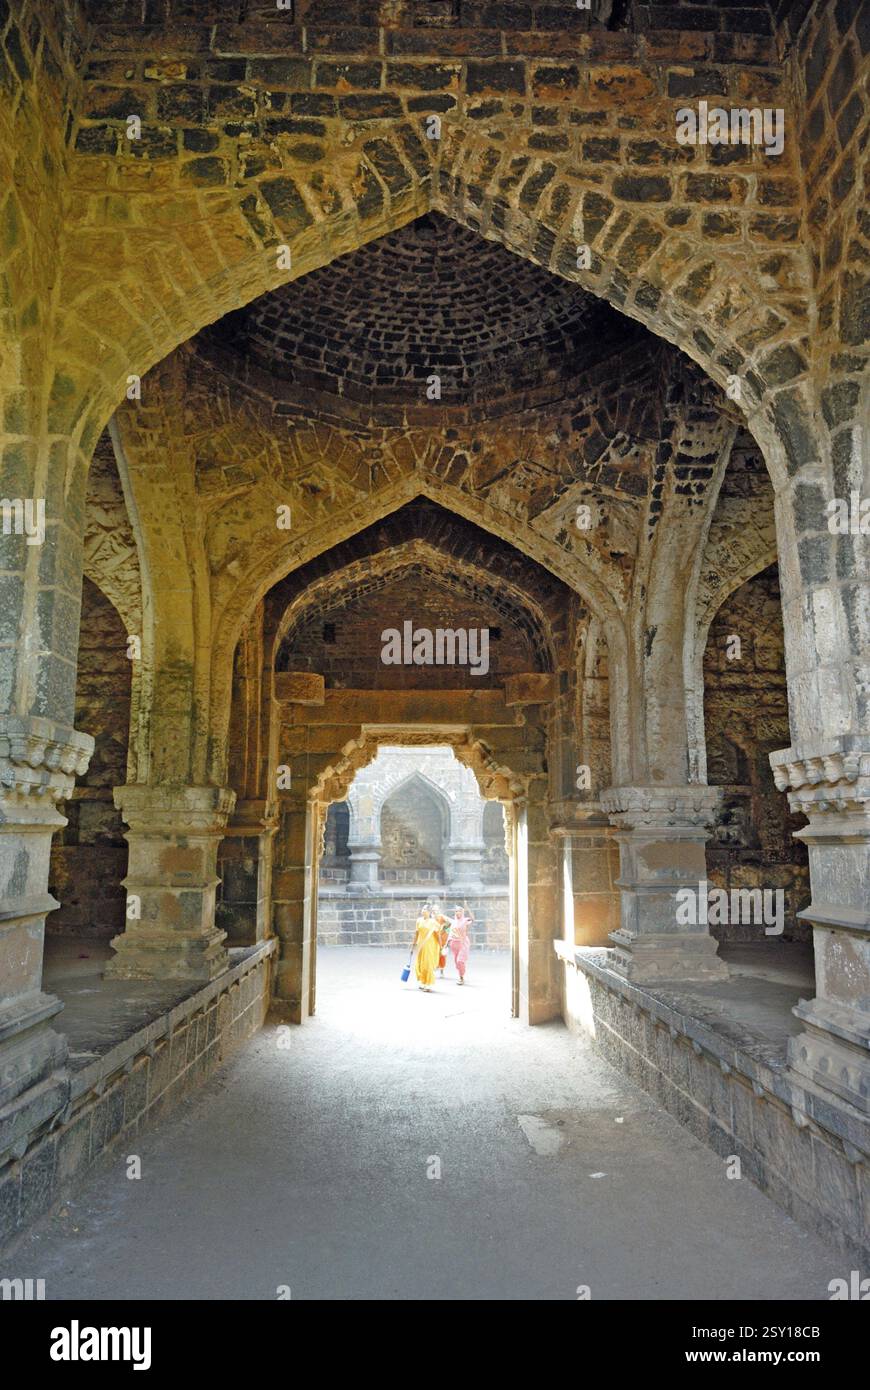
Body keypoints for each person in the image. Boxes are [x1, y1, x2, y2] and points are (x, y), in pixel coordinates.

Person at [411, 904, 441, 992]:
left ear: (429, 912)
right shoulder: (419, 920)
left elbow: (438, 934)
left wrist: (441, 946)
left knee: (427, 964)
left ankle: (429, 984)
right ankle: (422, 982)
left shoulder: (433, 922)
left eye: (425, 909)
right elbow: (416, 933)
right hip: (420, 945)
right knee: (420, 964)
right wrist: (413, 944)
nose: (423, 910)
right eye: (423, 909)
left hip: (430, 945)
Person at [448, 903, 473, 985]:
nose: (457, 912)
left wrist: (467, 907)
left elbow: (473, 919)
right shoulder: (453, 922)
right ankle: (460, 975)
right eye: (456, 911)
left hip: (463, 944)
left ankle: (461, 977)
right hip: (454, 945)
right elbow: (449, 932)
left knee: (460, 961)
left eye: (459, 911)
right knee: (457, 962)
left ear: (462, 912)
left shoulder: (465, 920)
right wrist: (447, 942)